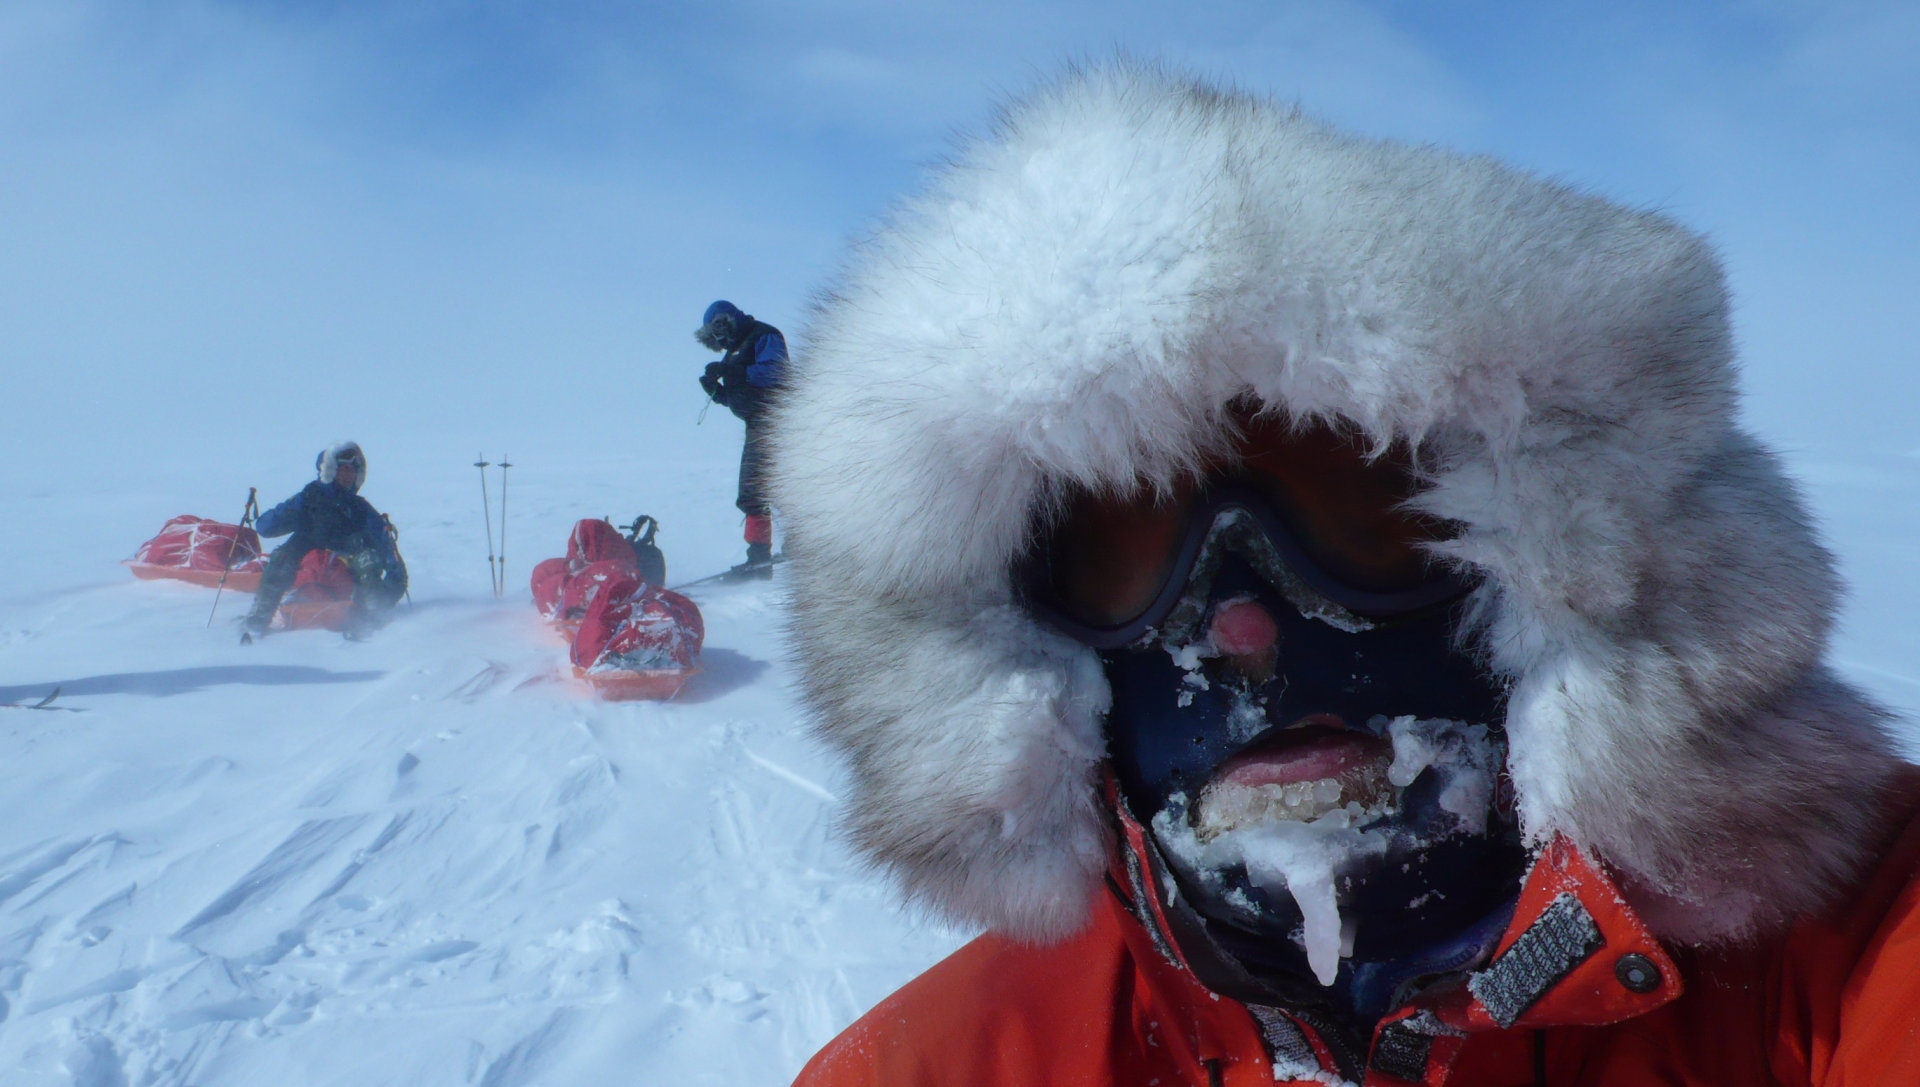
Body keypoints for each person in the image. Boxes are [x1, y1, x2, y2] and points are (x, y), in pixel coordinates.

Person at [769, 65, 1920, 1086]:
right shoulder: (941, 1070)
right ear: (1025, 659)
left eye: (1362, 502)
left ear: (1546, 572)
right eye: (1122, 553)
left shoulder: (1861, 950)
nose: (1237, 625)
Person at [242, 441, 408, 639]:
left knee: (368, 561)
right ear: (330, 471)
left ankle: (371, 617)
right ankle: (259, 619)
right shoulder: (308, 499)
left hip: (347, 563)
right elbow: (265, 527)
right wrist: (294, 509)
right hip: (306, 559)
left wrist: (388, 594)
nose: (348, 475)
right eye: (343, 469)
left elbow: (389, 554)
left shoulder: (360, 509)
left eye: (352, 470)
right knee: (281, 558)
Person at [696, 299, 788, 577]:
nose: (720, 342)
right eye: (715, 339)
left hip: (779, 420)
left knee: (786, 487)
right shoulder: (733, 352)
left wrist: (733, 371)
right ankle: (758, 558)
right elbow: (740, 396)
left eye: (720, 333)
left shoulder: (764, 335)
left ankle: (801, 545)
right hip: (756, 424)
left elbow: (776, 371)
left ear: (727, 322)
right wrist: (717, 392)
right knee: (753, 492)